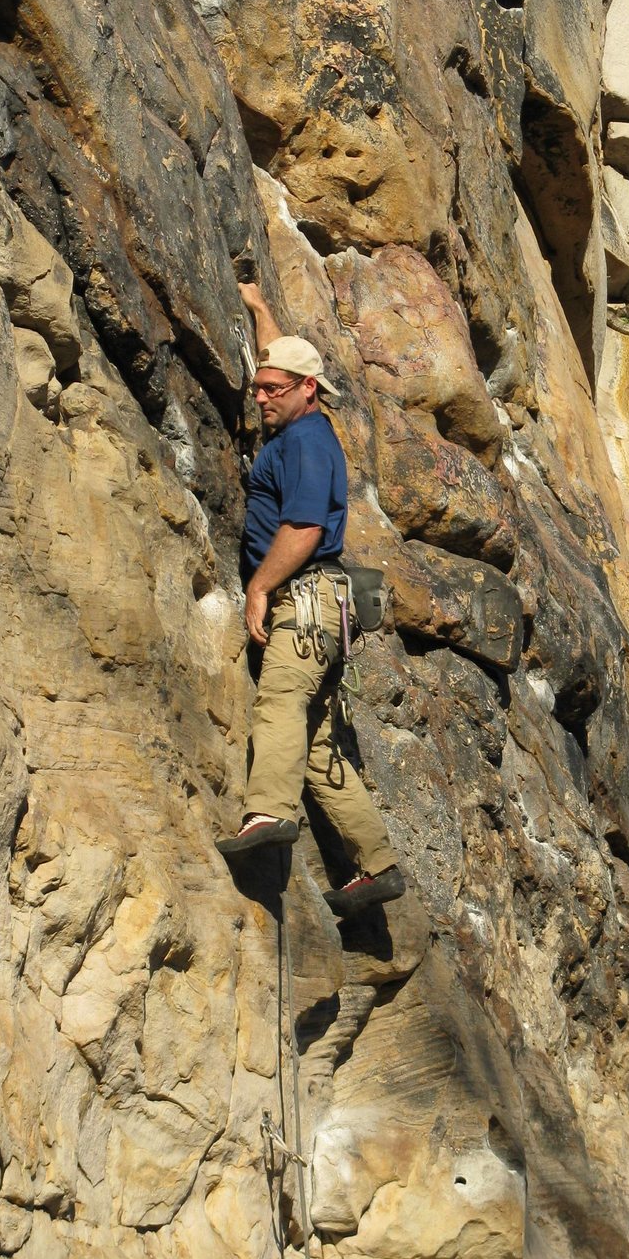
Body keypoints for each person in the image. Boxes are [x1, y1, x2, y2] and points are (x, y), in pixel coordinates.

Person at [216, 283, 406, 918]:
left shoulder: (304, 441)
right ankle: (376, 866)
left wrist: (259, 587)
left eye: (274, 389)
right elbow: (281, 357)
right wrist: (259, 308)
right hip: (328, 608)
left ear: (309, 391)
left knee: (280, 702)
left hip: (304, 598)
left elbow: (301, 529)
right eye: (259, 386)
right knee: (319, 746)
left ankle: (267, 813)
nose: (261, 395)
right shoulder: (306, 424)